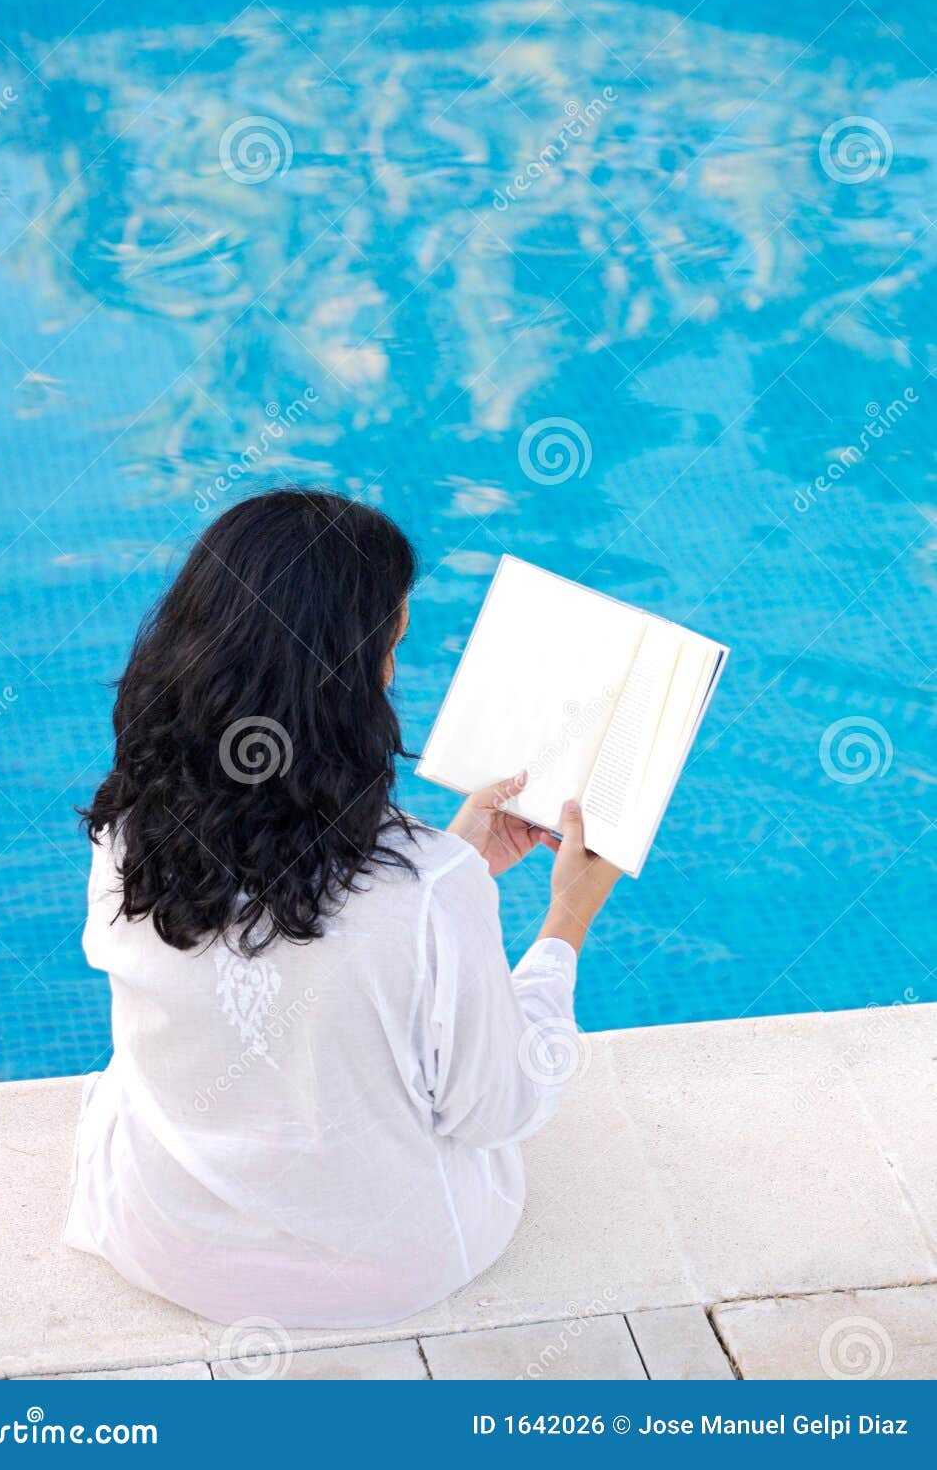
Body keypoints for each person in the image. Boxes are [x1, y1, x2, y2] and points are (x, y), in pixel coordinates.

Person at [64, 488, 620, 1328]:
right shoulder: (428, 892)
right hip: (386, 1272)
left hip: (160, 1239)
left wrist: (456, 863)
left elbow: (303, 945)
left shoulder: (128, 830)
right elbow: (499, 1106)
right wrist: (563, 925)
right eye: (388, 649)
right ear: (347, 680)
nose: (393, 674)